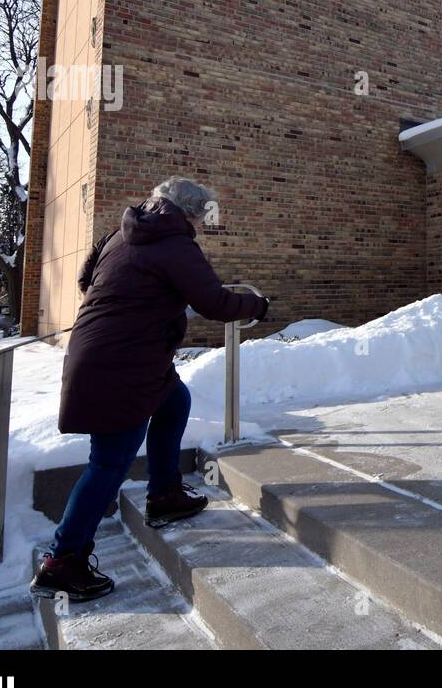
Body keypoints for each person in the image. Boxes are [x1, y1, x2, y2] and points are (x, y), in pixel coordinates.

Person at [31, 177, 269, 602]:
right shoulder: (176, 244)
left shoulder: (120, 235)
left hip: (108, 353)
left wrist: (137, 309)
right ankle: (62, 562)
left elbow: (87, 279)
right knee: (108, 463)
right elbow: (213, 301)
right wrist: (258, 305)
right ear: (190, 213)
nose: (200, 224)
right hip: (122, 364)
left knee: (175, 401)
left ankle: (164, 493)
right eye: (201, 217)